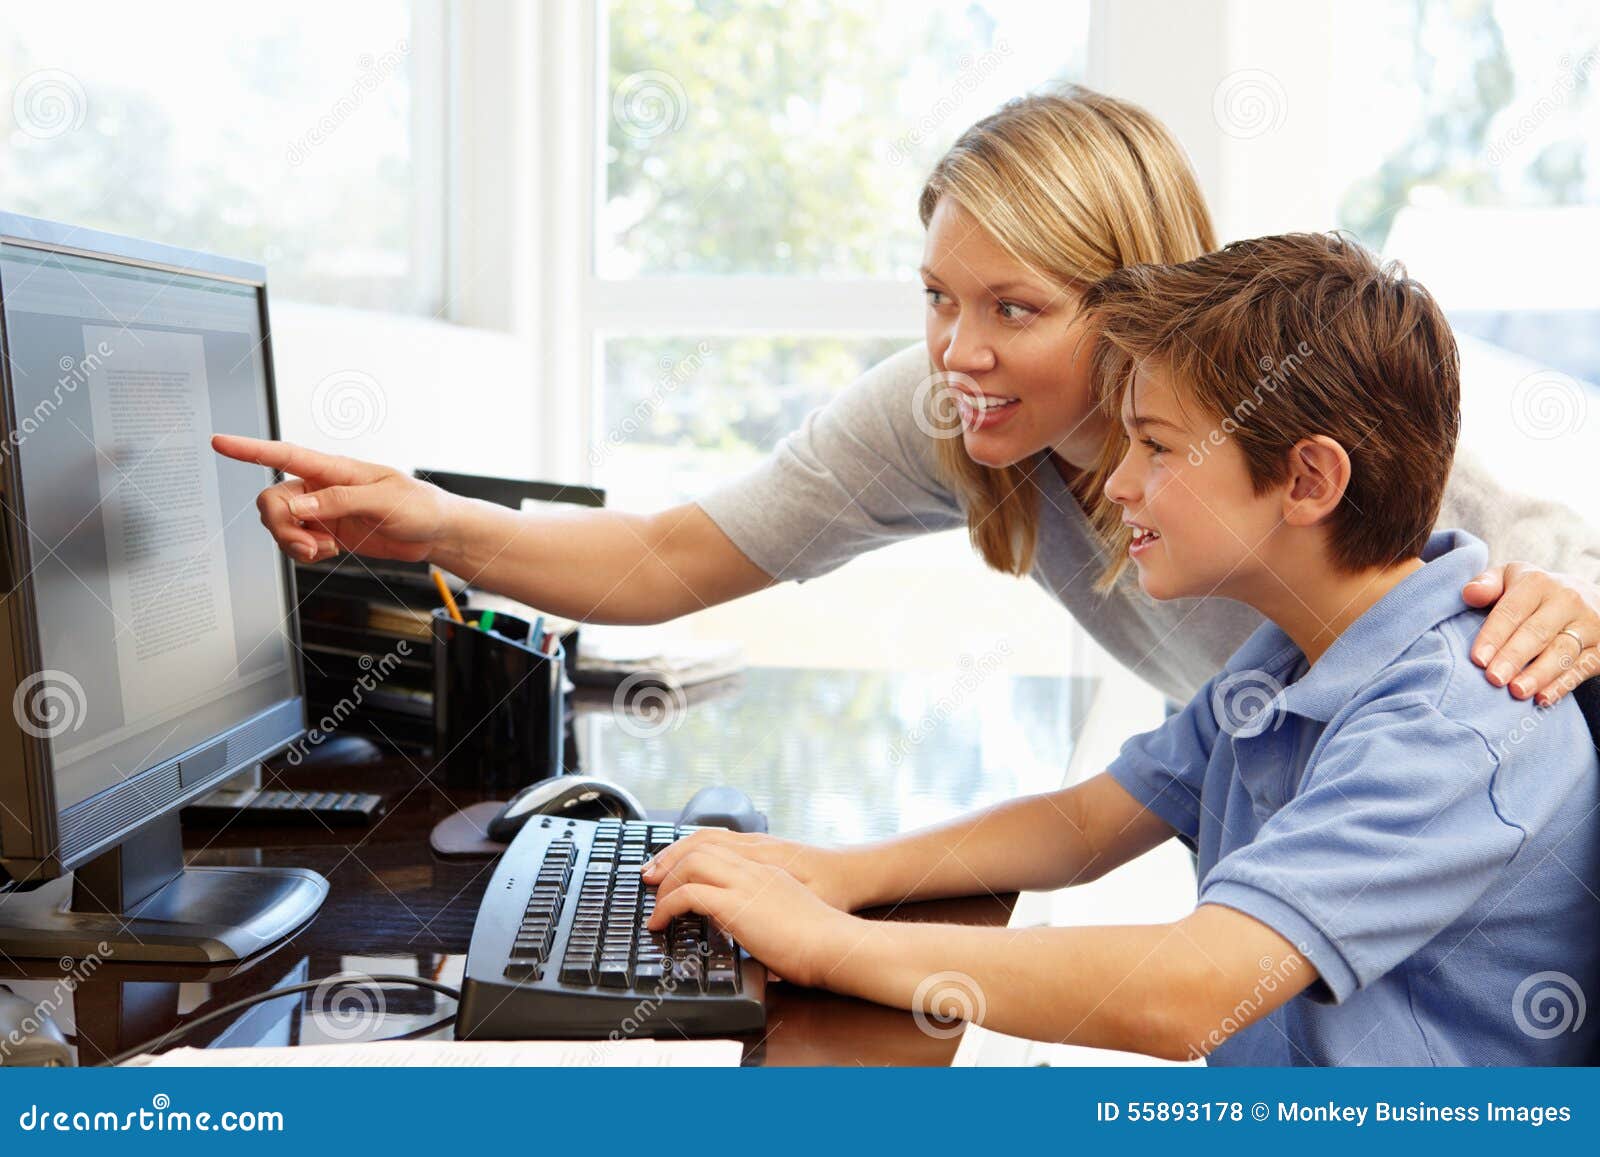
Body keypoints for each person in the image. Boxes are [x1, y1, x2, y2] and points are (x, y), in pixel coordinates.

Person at [214, 86, 1600, 710]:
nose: (957, 350)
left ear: (1129, 305)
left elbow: (1556, 548)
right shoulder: (947, 413)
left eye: (1014, 308)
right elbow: (668, 556)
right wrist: (435, 523)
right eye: (938, 296)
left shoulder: (1285, 395)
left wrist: (1576, 598)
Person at [641, 233, 1600, 1064]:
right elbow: (1090, 822)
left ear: (1308, 479)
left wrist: (823, 945)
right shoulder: (1298, 650)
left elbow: (1189, 993)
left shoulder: (1449, 720)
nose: (1118, 483)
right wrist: (835, 873)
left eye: (1157, 445)